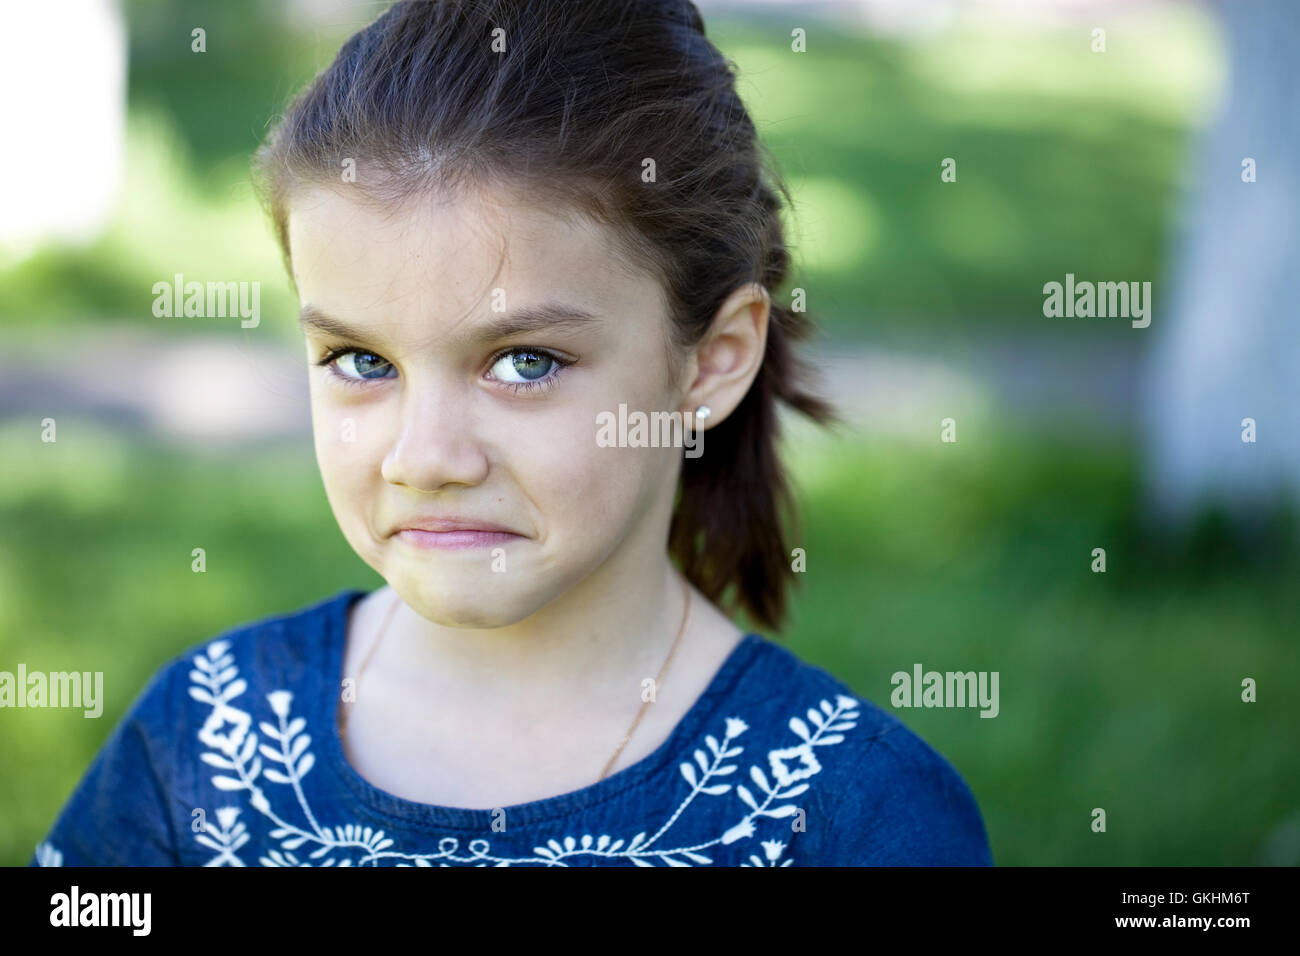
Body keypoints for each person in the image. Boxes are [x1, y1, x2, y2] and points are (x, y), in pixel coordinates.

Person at [32, 0, 991, 867]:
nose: (425, 458)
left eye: (524, 362)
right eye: (362, 362)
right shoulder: (203, 743)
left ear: (711, 360)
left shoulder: (856, 820)